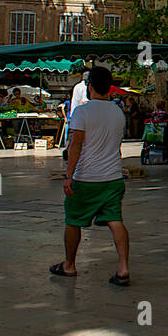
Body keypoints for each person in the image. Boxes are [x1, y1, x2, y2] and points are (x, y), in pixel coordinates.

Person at [52, 66, 131, 286]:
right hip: (113, 178)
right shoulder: (118, 112)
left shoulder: (82, 112)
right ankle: (123, 267)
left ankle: (69, 264)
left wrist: (69, 175)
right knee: (116, 220)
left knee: (73, 220)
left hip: (86, 179)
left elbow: (76, 145)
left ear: (90, 86)